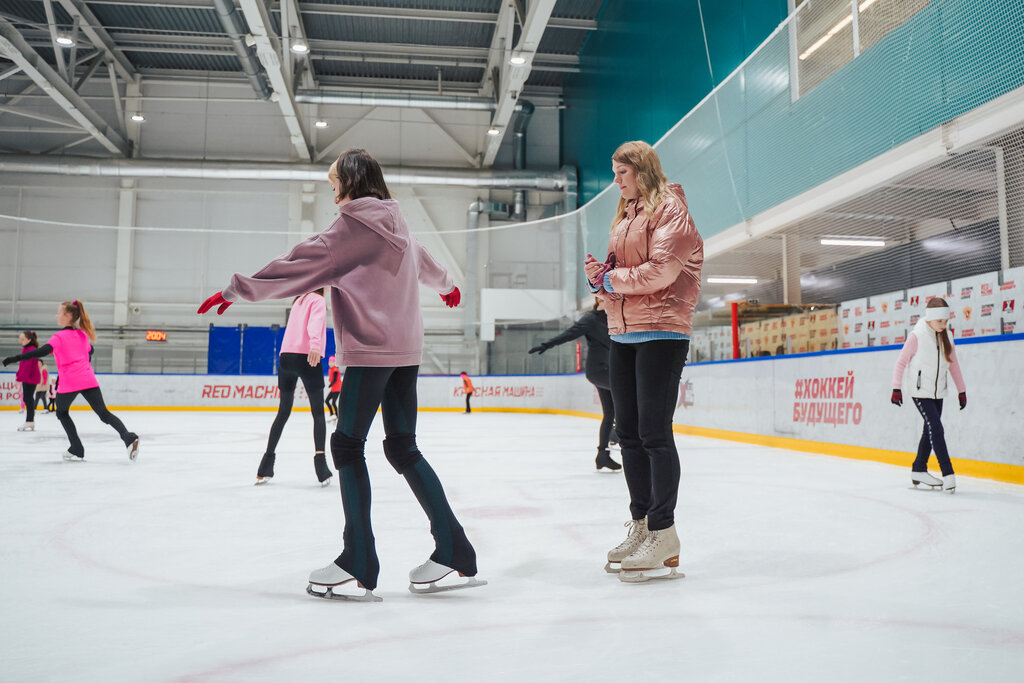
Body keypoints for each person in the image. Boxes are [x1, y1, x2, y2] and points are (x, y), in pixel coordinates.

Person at [198, 148, 482, 601]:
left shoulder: (350, 227)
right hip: (406, 352)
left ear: (350, 182)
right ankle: (455, 548)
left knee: (346, 445)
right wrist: (447, 284)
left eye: (334, 186)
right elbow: (423, 260)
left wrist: (238, 288)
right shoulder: (396, 219)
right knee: (402, 447)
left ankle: (359, 559)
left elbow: (299, 264)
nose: (333, 196)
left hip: (371, 352)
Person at [584, 140, 703, 583]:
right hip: (624, 331)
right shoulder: (626, 215)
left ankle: (664, 530)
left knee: (654, 433)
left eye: (622, 173)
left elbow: (661, 272)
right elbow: (622, 275)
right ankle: (641, 525)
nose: (616, 182)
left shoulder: (672, 210)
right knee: (627, 433)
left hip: (664, 331)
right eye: (615, 173)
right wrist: (602, 280)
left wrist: (612, 279)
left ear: (642, 170)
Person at [3, 301, 139, 460]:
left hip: (70, 381)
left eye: (59, 312)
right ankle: (128, 437)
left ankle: (76, 448)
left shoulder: (58, 337)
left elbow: (42, 351)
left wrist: (15, 358)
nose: (56, 315)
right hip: (88, 378)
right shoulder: (82, 334)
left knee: (61, 412)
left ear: (67, 316)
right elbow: (90, 350)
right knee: (104, 413)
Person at [529, 299, 621, 471]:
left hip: (608, 370)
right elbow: (570, 333)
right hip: (598, 370)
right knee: (628, 394)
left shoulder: (612, 319)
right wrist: (546, 344)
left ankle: (602, 455)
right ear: (600, 299)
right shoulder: (591, 319)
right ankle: (617, 434)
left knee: (610, 413)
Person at [255, 289, 332, 487]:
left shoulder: (298, 300)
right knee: (318, 414)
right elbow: (315, 323)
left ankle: (265, 466)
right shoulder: (317, 300)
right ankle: (321, 468)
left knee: (283, 411)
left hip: (286, 357)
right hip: (307, 357)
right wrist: (315, 345)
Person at [891, 297, 966, 493]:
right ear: (930, 319)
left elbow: (954, 364)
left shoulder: (947, 336)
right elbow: (900, 362)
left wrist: (962, 390)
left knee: (929, 430)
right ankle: (948, 473)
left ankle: (918, 468)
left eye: (946, 321)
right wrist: (896, 388)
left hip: (938, 391)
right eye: (940, 321)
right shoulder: (917, 336)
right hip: (919, 391)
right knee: (936, 427)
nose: (943, 325)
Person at [10, 330, 41, 431]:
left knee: (28, 399)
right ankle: (30, 420)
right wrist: (19, 377)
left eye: (23, 339)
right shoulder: (27, 349)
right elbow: (22, 365)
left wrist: (19, 378)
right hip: (29, 377)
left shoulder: (30, 349)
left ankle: (30, 421)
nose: (20, 341)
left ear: (29, 340)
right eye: (20, 339)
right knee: (27, 399)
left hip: (30, 377)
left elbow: (26, 366)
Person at [325, 356, 342, 422]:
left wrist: (330, 384)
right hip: (333, 389)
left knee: (333, 403)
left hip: (337, 389)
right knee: (326, 401)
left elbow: (335, 379)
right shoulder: (330, 369)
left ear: (335, 363)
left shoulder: (335, 370)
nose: (330, 363)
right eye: (329, 362)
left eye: (332, 362)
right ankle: (332, 413)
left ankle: (337, 415)